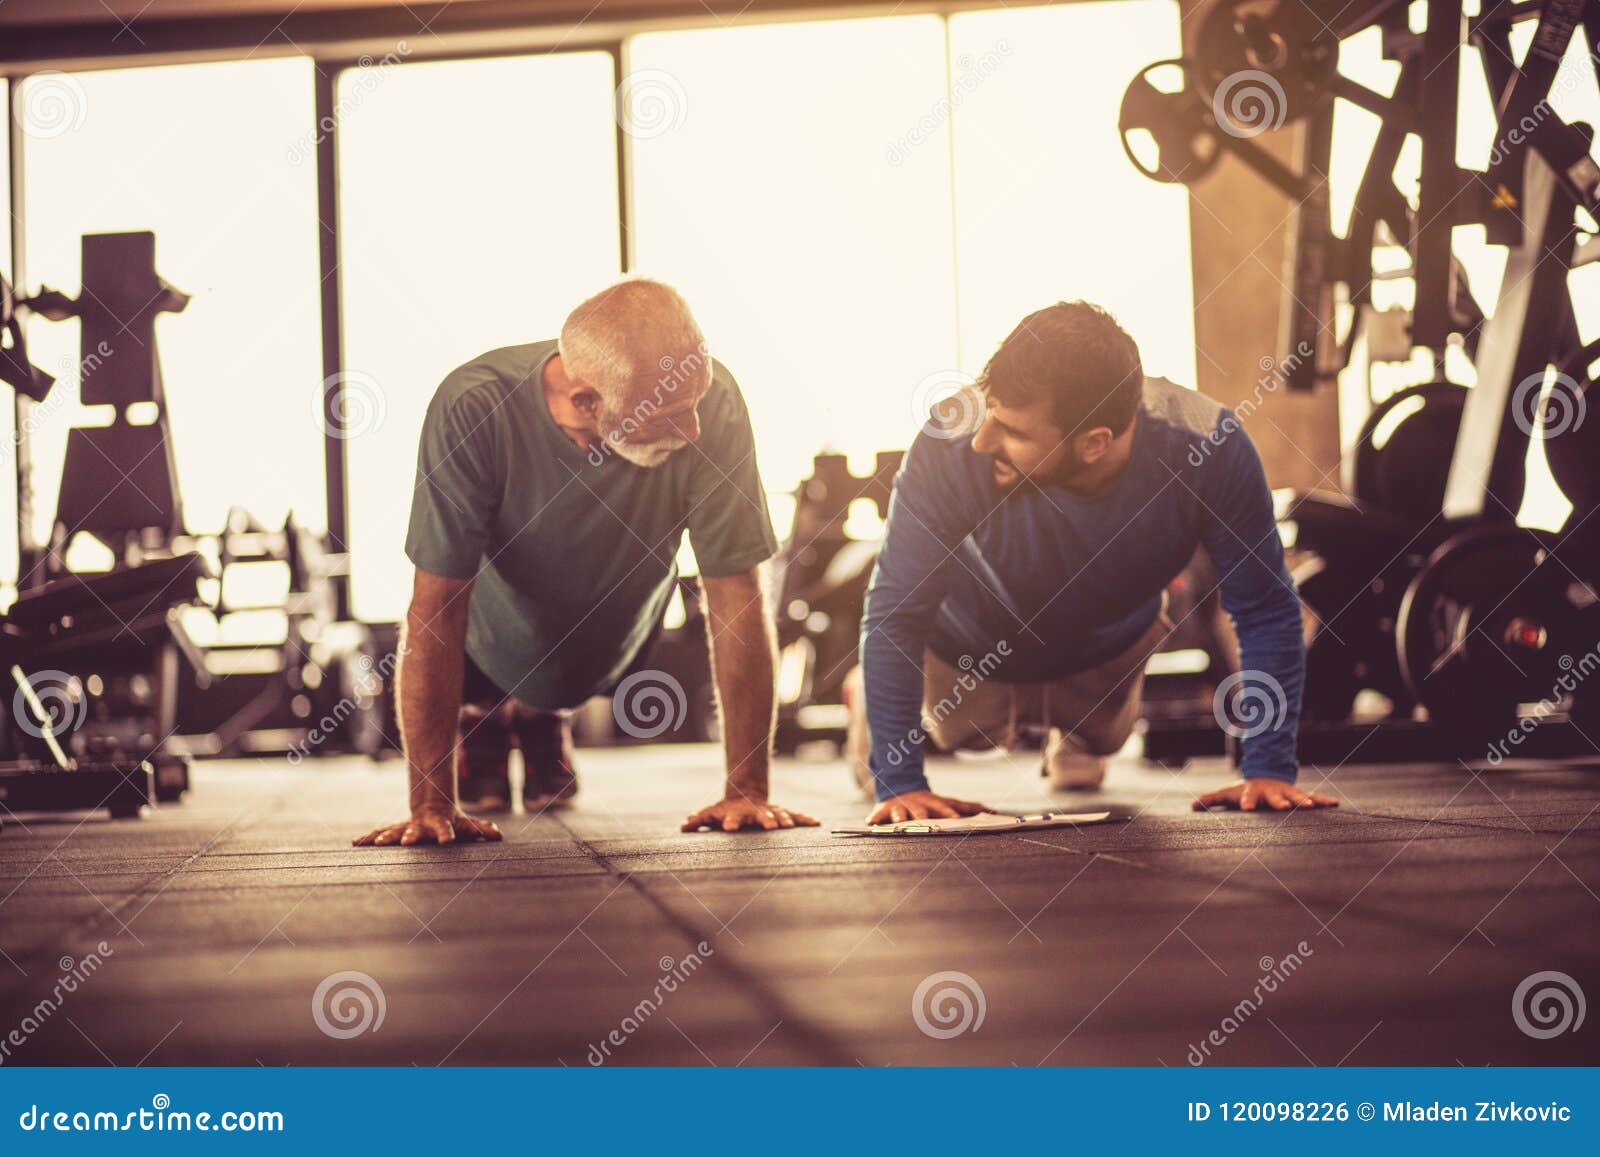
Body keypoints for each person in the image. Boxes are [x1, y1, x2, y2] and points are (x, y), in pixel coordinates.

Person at [355, 278, 817, 847]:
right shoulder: (474, 406)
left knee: (560, 690)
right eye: (672, 413)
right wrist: (430, 805)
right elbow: (435, 605)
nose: (693, 429)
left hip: (616, 638)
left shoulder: (711, 400)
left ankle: (539, 713)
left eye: (694, 403)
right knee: (490, 739)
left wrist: (747, 789)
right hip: (490, 641)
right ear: (586, 402)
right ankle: (491, 710)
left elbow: (735, 594)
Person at [846, 300, 1337, 824]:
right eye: (989, 412)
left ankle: (1076, 734)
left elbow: (1265, 608)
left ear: (1094, 444)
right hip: (970, 647)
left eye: (1013, 431)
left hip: (1105, 643)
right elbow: (896, 611)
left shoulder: (1207, 447)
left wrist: (1268, 769)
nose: (984, 440)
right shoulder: (952, 439)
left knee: (1099, 745)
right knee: (963, 733)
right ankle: (867, 708)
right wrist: (897, 783)